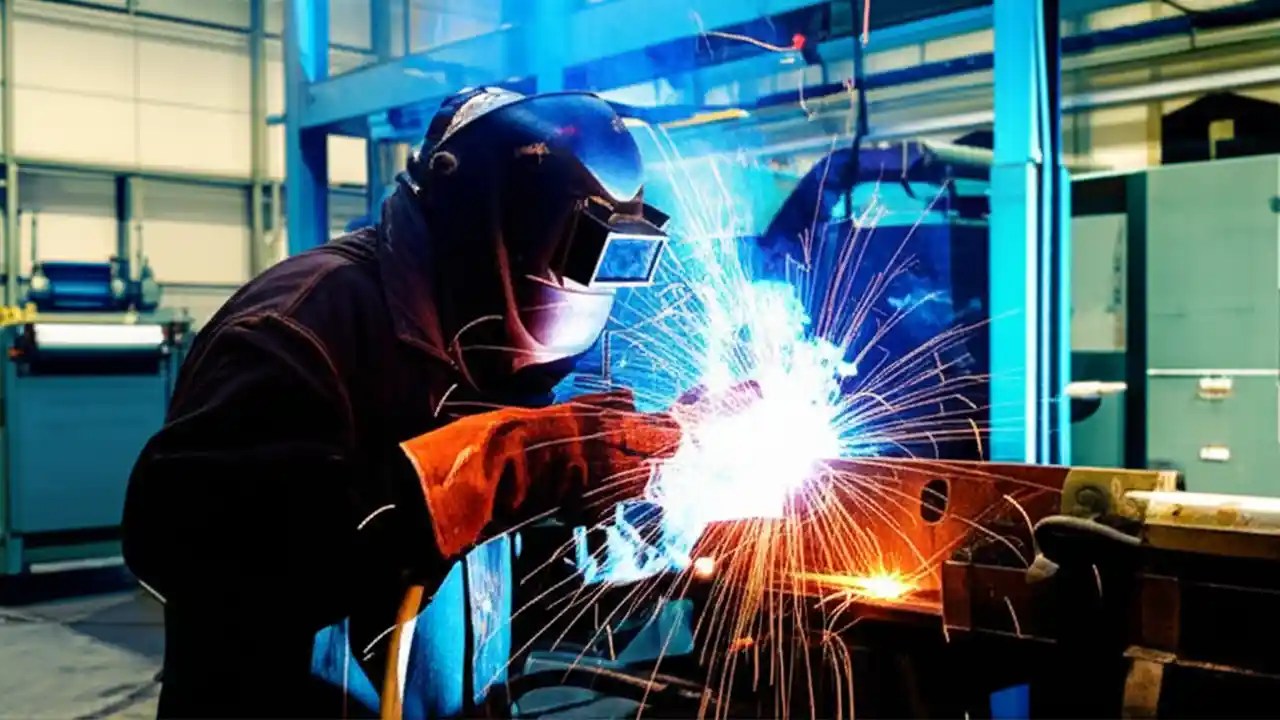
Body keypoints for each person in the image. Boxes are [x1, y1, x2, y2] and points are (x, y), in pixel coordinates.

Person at [122, 88, 683, 718]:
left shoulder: (476, 349)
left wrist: (650, 538)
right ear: (481, 230)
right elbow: (184, 545)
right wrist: (494, 470)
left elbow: (483, 590)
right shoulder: (298, 326)